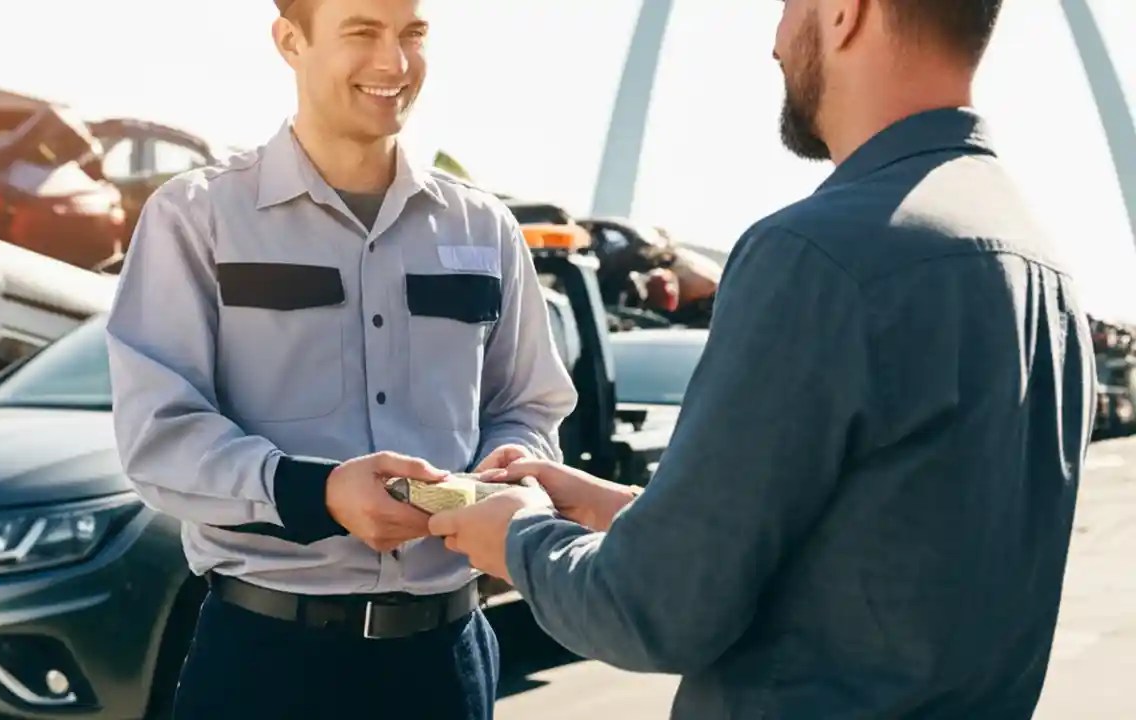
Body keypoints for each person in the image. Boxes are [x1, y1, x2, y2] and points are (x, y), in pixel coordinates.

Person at [430, 0, 1097, 717]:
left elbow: (653, 610)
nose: (775, 43)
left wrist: (517, 533)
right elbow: (884, 564)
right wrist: (622, 512)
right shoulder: (1039, 266)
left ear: (845, 13)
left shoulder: (819, 255)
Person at [105, 0, 576, 717]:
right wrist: (316, 493)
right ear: (290, 41)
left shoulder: (486, 228)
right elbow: (159, 435)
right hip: (264, 667)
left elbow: (528, 404)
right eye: (362, 32)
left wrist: (503, 469)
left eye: (412, 34)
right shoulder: (196, 218)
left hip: (444, 664)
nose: (394, 63)